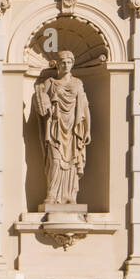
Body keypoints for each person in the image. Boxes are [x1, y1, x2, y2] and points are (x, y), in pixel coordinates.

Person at [33, 50, 91, 205]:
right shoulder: (50, 83)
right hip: (55, 127)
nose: (66, 65)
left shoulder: (78, 83)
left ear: (72, 64)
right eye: (63, 62)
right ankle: (52, 194)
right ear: (57, 65)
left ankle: (70, 195)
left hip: (73, 129)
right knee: (55, 161)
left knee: (72, 162)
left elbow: (85, 107)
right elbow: (40, 103)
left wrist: (87, 129)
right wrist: (42, 101)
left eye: (69, 62)